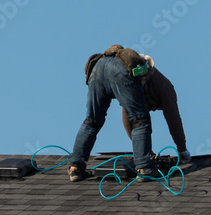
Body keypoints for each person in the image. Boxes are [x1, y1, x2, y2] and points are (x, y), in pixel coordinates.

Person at [68, 45, 158, 182]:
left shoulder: (103, 60)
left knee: (92, 121)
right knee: (139, 120)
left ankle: (75, 168)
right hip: (118, 72)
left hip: (97, 71)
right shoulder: (135, 64)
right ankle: (144, 169)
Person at [121, 55, 190, 164]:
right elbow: (128, 119)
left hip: (157, 92)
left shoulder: (164, 87)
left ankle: (146, 153)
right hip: (137, 97)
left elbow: (173, 119)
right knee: (139, 122)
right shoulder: (127, 84)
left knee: (168, 114)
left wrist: (182, 148)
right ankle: (145, 154)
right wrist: (144, 152)